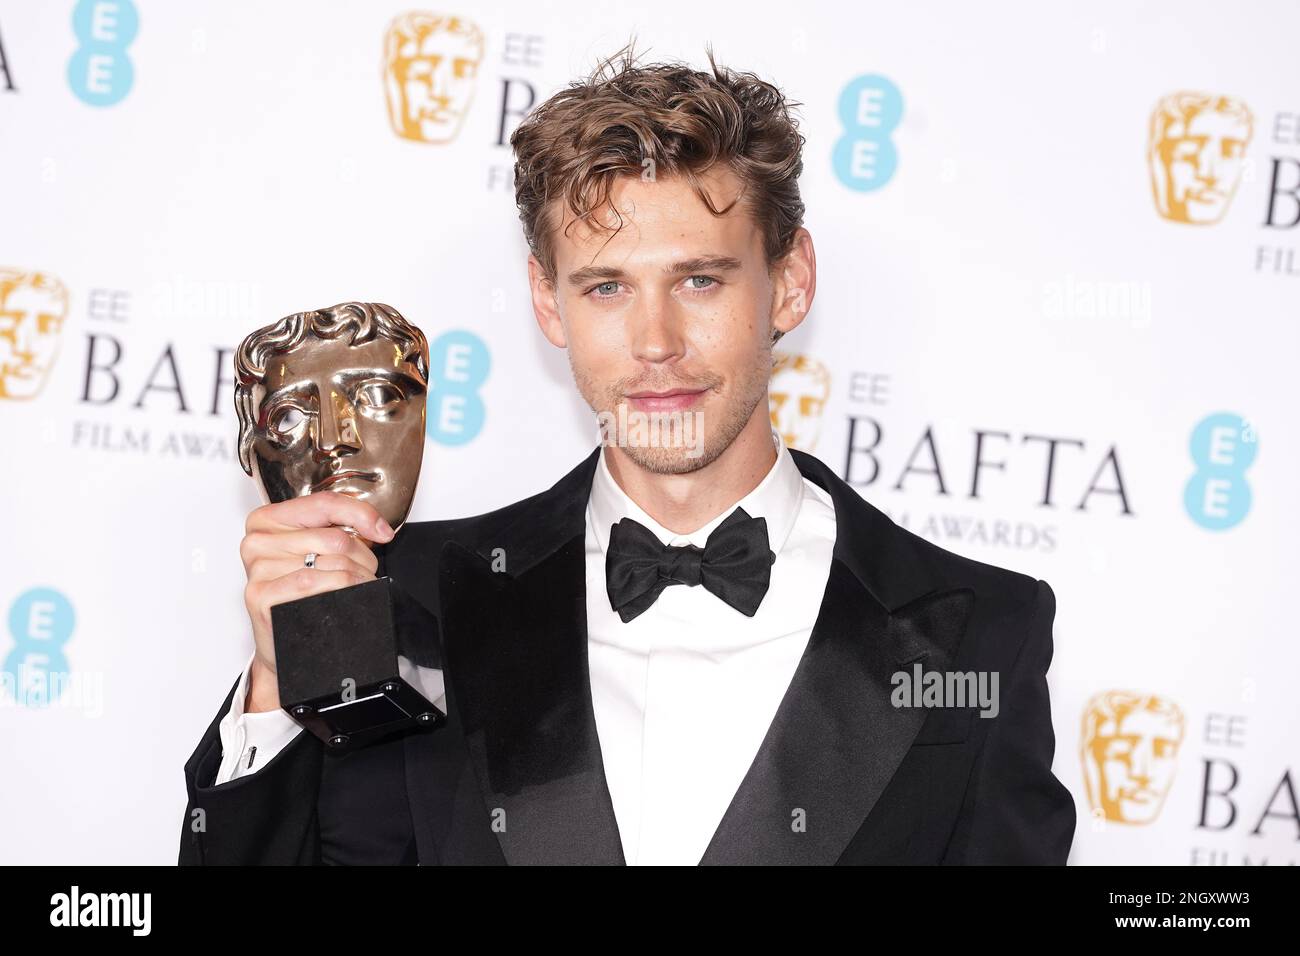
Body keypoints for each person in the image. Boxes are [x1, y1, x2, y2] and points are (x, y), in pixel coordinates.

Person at [179, 46, 1076, 865]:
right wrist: (276, 686)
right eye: (607, 287)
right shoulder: (408, 601)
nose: (656, 341)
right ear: (548, 302)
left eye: (699, 279)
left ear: (791, 281)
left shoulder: (981, 637)